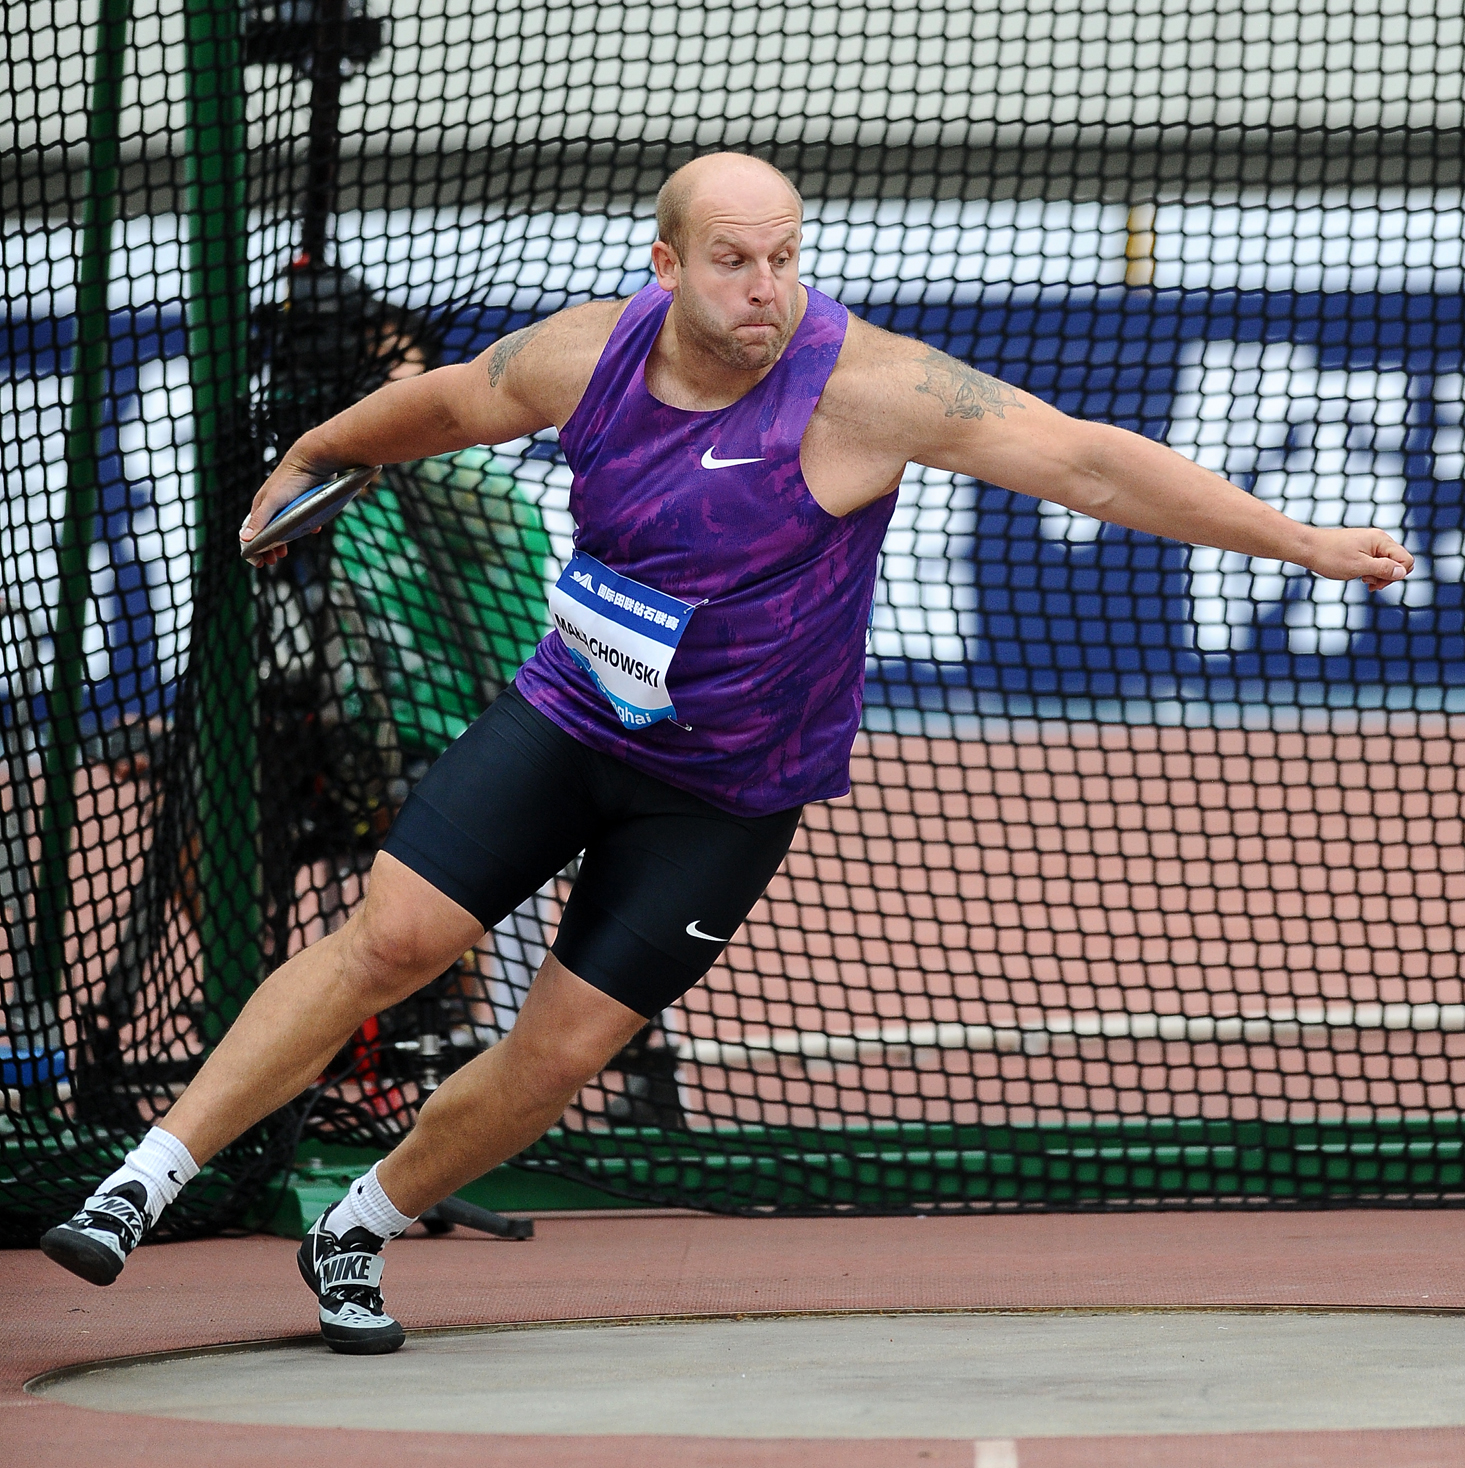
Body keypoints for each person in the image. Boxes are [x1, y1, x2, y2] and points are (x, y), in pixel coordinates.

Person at [40, 152, 1413, 1354]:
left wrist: (1297, 542)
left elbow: (1089, 464)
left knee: (564, 1047)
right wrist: (311, 454)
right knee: (393, 940)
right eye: (734, 261)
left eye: (783, 259)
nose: (766, 288)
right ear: (668, 264)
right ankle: (145, 1178)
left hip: (725, 793)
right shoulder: (591, 354)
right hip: (570, 718)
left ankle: (362, 1221)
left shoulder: (866, 389)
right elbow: (450, 405)